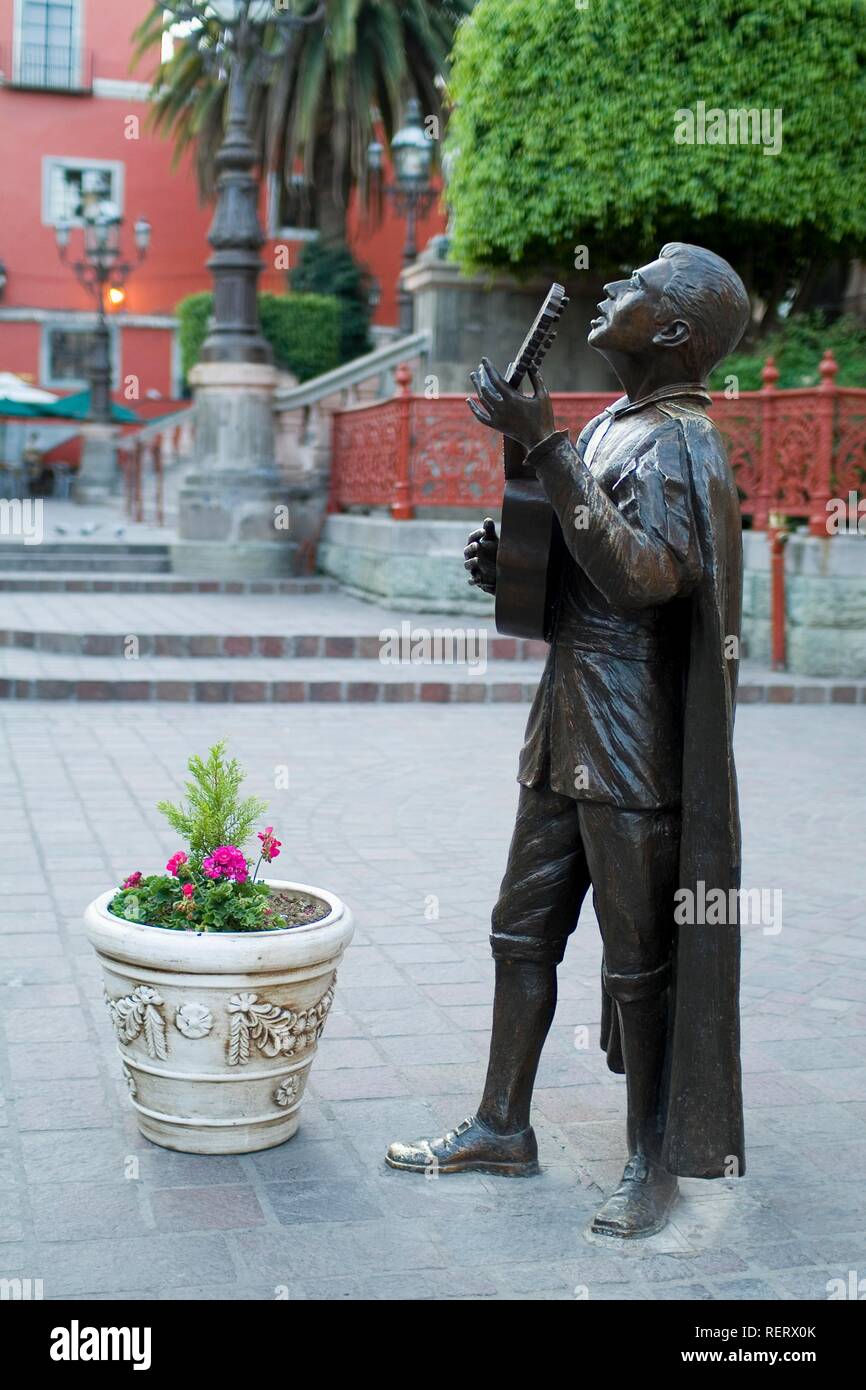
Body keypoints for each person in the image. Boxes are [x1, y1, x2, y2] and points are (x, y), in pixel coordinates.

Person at [386, 243, 751, 1237]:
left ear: (671, 332)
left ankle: (651, 1160)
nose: (612, 289)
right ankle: (503, 1122)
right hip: (563, 727)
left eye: (637, 286)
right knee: (519, 931)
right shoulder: (614, 429)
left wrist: (543, 446)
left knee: (638, 960)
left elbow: (641, 578)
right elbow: (584, 570)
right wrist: (511, 564)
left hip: (630, 742)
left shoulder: (680, 445)